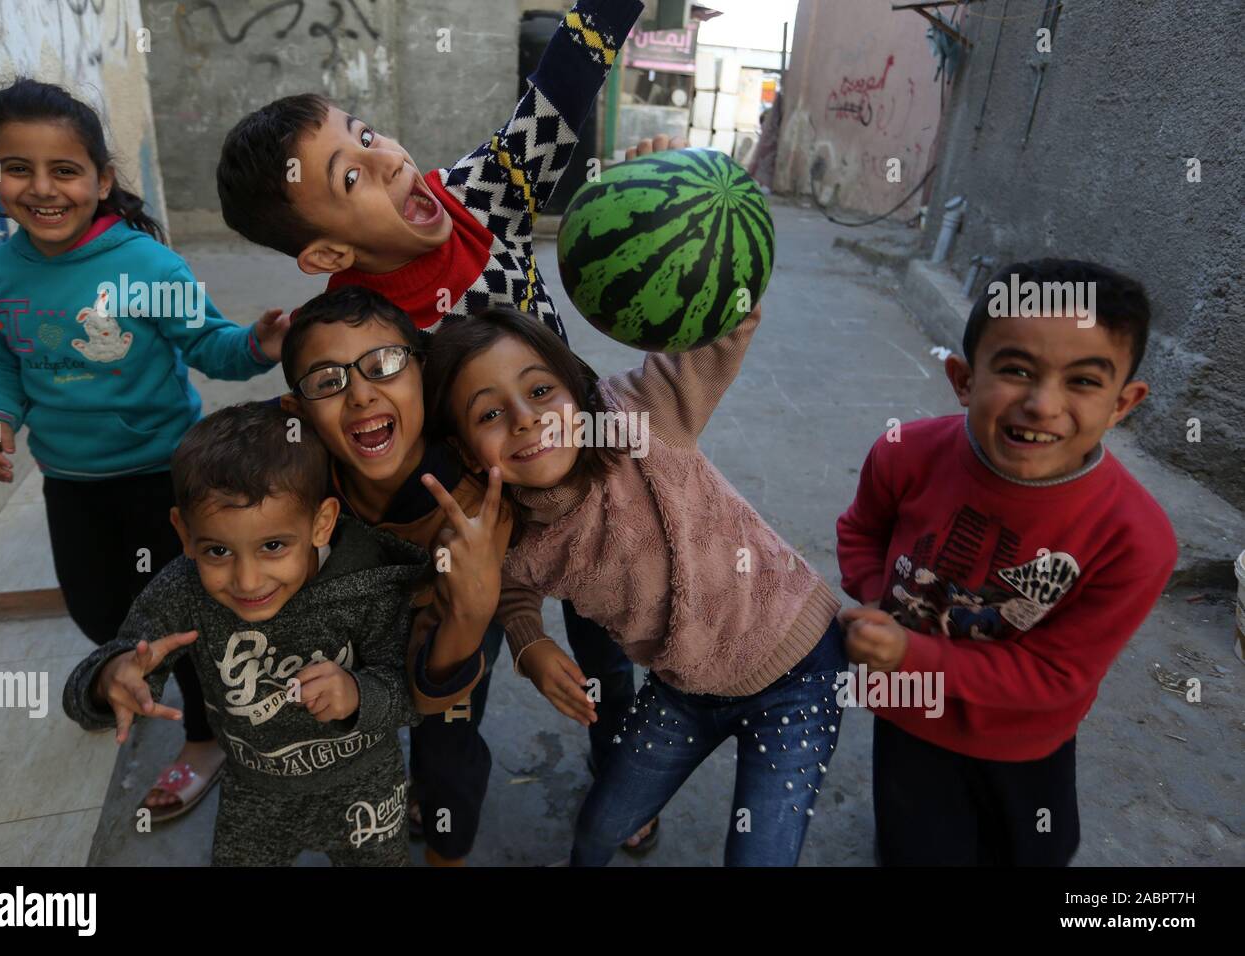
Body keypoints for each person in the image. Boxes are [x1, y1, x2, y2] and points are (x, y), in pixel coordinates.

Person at [217, 0, 654, 860]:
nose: (385, 160)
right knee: (456, 686)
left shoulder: (476, 198)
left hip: (580, 483)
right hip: (469, 524)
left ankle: (625, 776)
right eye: (350, 179)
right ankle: (443, 798)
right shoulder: (350, 330)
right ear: (327, 255)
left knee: (607, 651)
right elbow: (334, 442)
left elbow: (557, 98)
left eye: (369, 134)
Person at [0, 78, 290, 822]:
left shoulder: (148, 267)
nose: (42, 188)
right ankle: (132, 679)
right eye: (17, 168)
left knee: (193, 617)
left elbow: (209, 346)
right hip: (72, 482)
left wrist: (258, 344)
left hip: (165, 478)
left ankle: (207, 736)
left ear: (101, 179)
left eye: (65, 170)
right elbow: (0, 369)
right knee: (100, 612)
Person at [422, 303, 849, 867]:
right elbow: (510, 585)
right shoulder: (507, 528)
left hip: (800, 670)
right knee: (599, 827)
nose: (526, 419)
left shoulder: (640, 415)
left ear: (576, 387)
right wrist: (532, 644)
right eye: (489, 415)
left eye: (542, 390)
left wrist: (716, 249)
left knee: (761, 856)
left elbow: (726, 325)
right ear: (464, 453)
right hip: (684, 687)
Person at [836, 259, 1177, 866]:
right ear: (964, 379)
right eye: (1017, 370)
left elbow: (1055, 676)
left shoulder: (1137, 538)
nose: (1043, 405)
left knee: (1034, 851)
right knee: (918, 850)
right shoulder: (904, 454)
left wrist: (910, 651)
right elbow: (861, 530)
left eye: (1083, 381)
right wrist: (878, 603)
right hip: (911, 714)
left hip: (1027, 738)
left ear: (1124, 402)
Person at [62, 402, 500, 865]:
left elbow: (408, 698)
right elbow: (100, 681)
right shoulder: (183, 588)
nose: (248, 580)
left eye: (273, 546)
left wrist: (356, 693)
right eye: (217, 550)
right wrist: (110, 677)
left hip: (366, 788)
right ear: (184, 533)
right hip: (253, 794)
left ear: (321, 523)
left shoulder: (370, 584)